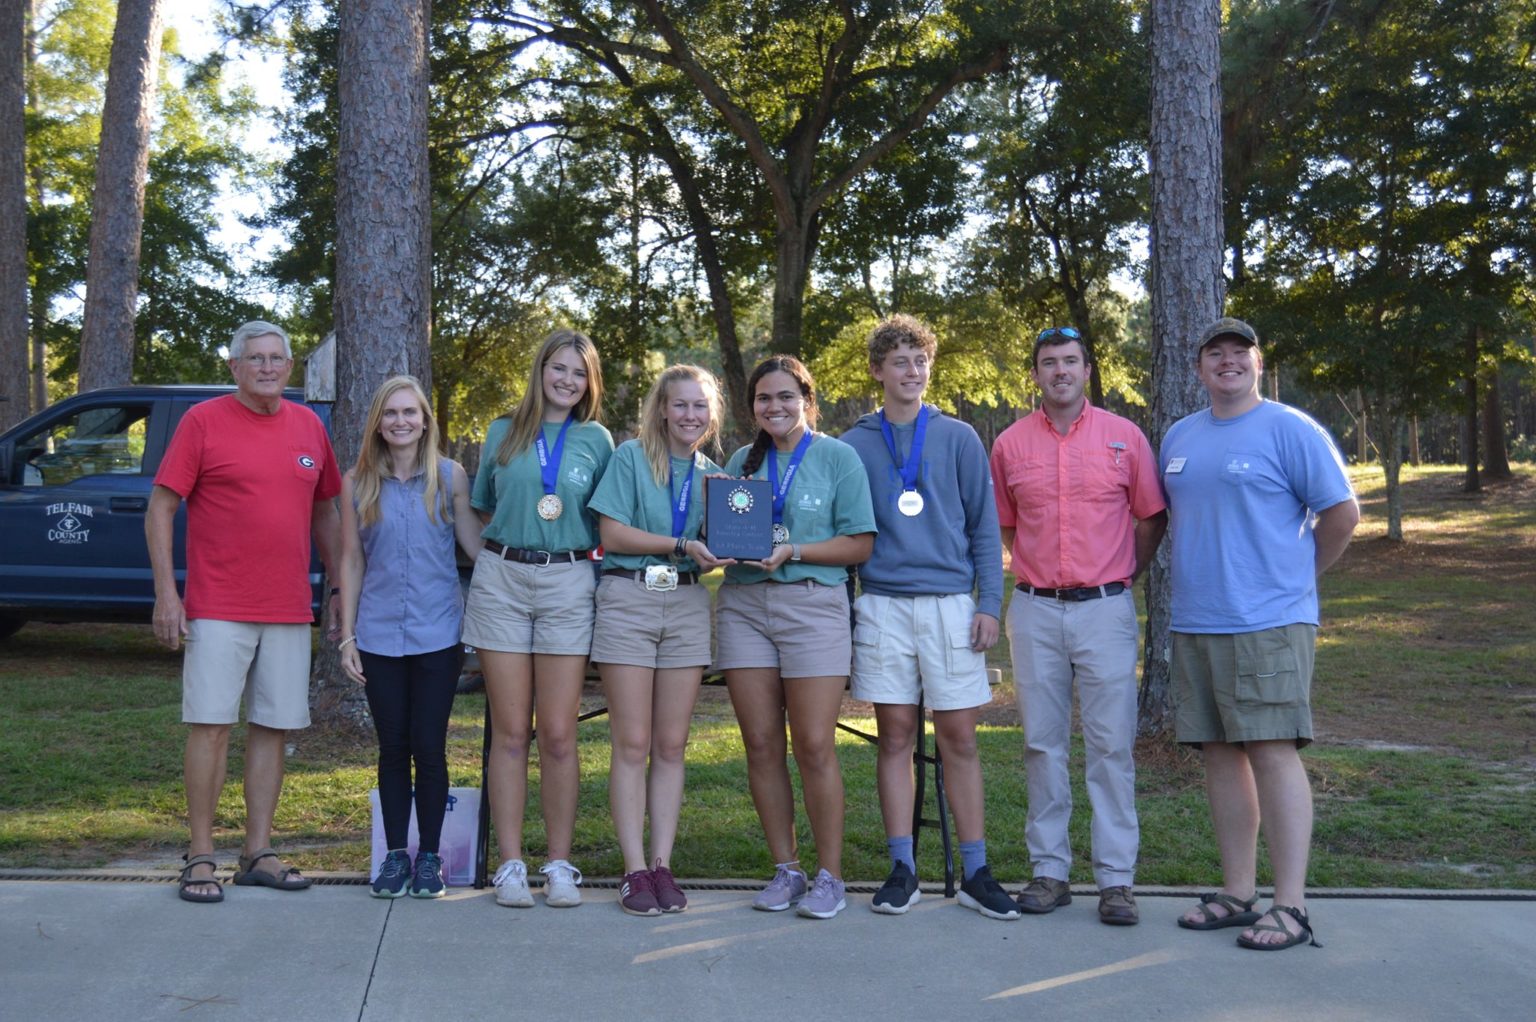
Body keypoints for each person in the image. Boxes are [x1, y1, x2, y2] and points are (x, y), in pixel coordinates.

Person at [1162, 317, 1358, 951]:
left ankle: (1291, 906)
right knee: (1220, 755)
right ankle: (1238, 892)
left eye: (1240, 352)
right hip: (1197, 621)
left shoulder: (1290, 429)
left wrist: (1295, 581)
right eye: (1215, 352)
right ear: (1199, 367)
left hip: (1268, 624)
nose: (1228, 361)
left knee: (1273, 751)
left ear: (1258, 363)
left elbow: (1342, 513)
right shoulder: (1179, 436)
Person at [147, 320, 341, 904]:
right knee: (210, 726)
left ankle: (257, 852)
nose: (267, 367)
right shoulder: (202, 421)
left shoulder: (308, 426)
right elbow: (160, 508)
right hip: (218, 606)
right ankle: (201, 854)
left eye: (276, 358)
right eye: (255, 358)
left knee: (273, 727)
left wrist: (337, 590)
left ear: (289, 366)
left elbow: (326, 512)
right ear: (234, 367)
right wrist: (166, 594)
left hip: (287, 607)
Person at [990, 325, 1167, 926]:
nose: (1060, 371)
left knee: (1111, 745)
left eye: (1070, 361)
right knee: (1042, 744)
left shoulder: (1124, 437)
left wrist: (1123, 575)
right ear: (1035, 374)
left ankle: (1116, 880)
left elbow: (1150, 516)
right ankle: (1050, 872)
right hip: (1035, 609)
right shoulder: (1010, 445)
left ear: (1087, 370)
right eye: (1049, 362)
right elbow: (1006, 524)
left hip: (1106, 608)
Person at [840, 315, 1015, 919]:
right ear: (877, 371)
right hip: (882, 604)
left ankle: (976, 871)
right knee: (895, 737)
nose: (912, 371)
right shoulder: (854, 444)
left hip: (950, 606)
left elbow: (984, 528)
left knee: (959, 738)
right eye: (899, 361)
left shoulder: (959, 437)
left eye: (920, 361)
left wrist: (988, 604)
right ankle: (902, 868)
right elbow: (847, 531)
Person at [716, 356, 876, 921]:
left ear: (807, 400)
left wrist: (795, 550)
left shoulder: (838, 457)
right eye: (763, 398)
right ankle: (787, 869)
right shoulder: (740, 461)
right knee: (761, 744)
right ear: (752, 407)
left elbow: (860, 543)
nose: (774, 407)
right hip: (744, 607)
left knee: (812, 744)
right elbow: (727, 533)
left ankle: (830, 876)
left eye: (786, 396)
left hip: (813, 605)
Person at [463, 329, 613, 909]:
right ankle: (509, 865)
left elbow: (606, 518)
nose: (567, 381)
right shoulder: (502, 431)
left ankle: (558, 865)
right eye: (559, 368)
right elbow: (484, 506)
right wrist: (505, 553)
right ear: (540, 370)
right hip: (503, 579)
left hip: (569, 580)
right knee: (508, 732)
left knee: (557, 733)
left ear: (589, 382)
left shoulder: (596, 439)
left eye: (579, 372)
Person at [587, 365, 733, 916]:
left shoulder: (715, 477)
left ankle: (662, 864)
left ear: (711, 414)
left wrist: (721, 544)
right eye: (680, 405)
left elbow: (715, 549)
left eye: (700, 405)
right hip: (629, 598)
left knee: (672, 745)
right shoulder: (630, 458)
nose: (690, 415)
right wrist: (681, 544)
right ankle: (633, 871)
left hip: (688, 604)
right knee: (632, 742)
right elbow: (612, 534)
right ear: (662, 409)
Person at [336, 376, 483, 898]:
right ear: (378, 422)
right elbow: (351, 560)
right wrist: (347, 637)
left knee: (430, 746)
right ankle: (396, 856)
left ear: (425, 421)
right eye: (391, 413)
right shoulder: (357, 482)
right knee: (393, 748)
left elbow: (475, 548)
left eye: (410, 412)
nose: (400, 421)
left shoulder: (449, 476)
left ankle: (431, 860)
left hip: (438, 635)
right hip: (378, 638)